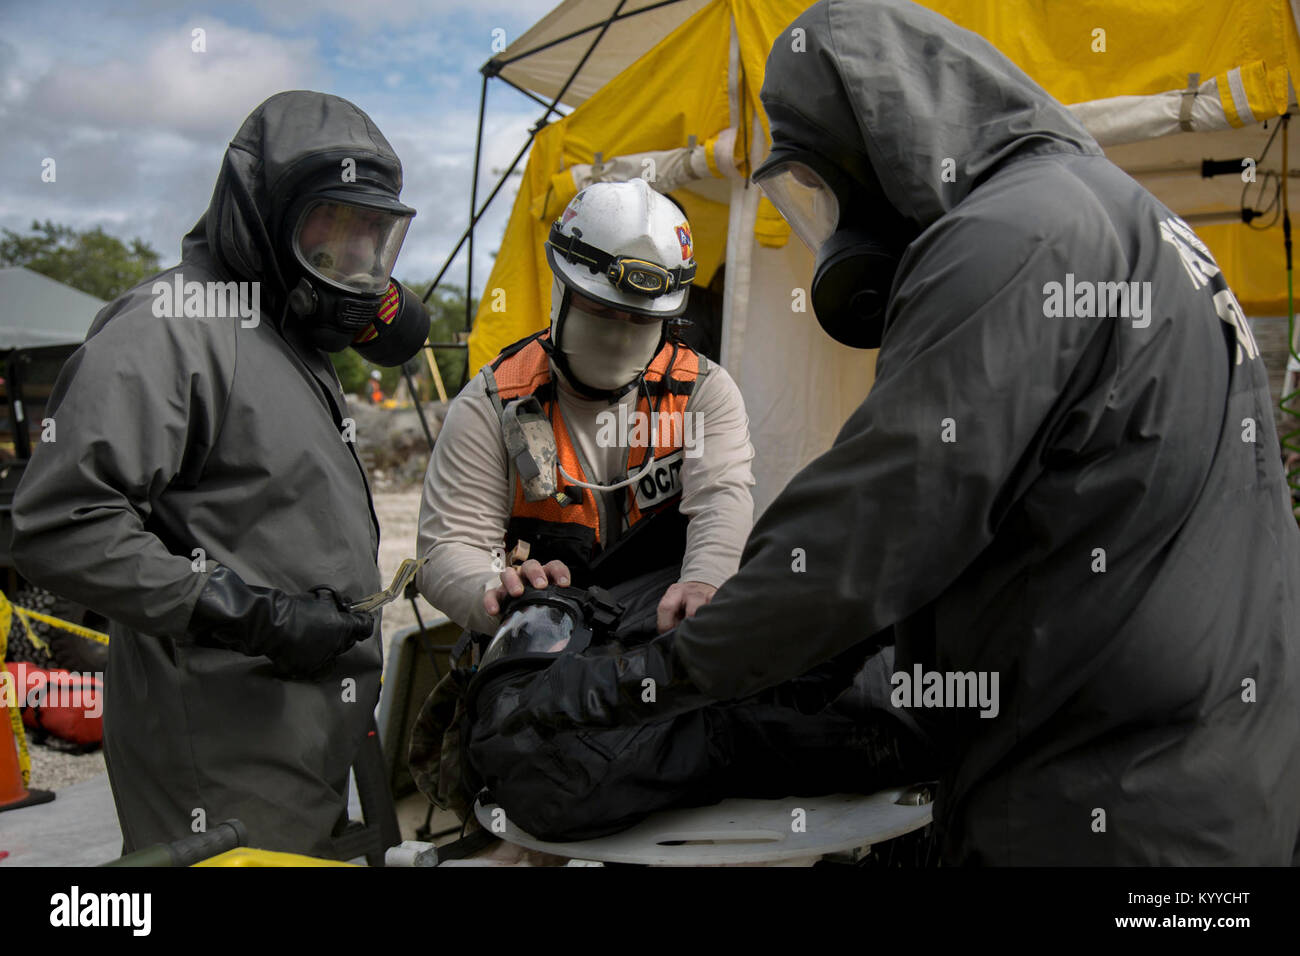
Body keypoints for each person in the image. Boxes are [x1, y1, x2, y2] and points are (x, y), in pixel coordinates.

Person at [478, 0, 1300, 865]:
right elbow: (1007, 508)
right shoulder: (1131, 218)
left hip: (1112, 804)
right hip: (1215, 773)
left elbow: (866, 527)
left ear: (877, 139)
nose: (831, 221)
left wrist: (628, 683)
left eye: (823, 184)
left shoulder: (1013, 234)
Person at [10, 90, 430, 856]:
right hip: (221, 745)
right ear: (260, 220)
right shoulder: (169, 328)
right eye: (328, 235)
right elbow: (58, 522)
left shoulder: (280, 331)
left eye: (371, 241)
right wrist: (244, 613)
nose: (354, 267)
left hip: (303, 728)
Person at [415, 178, 756, 640]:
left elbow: (722, 496)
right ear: (562, 292)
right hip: (538, 642)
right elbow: (449, 545)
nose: (620, 335)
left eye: (640, 319)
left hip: (662, 632)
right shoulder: (492, 403)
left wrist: (707, 578)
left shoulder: (702, 392)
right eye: (603, 311)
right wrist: (499, 592)